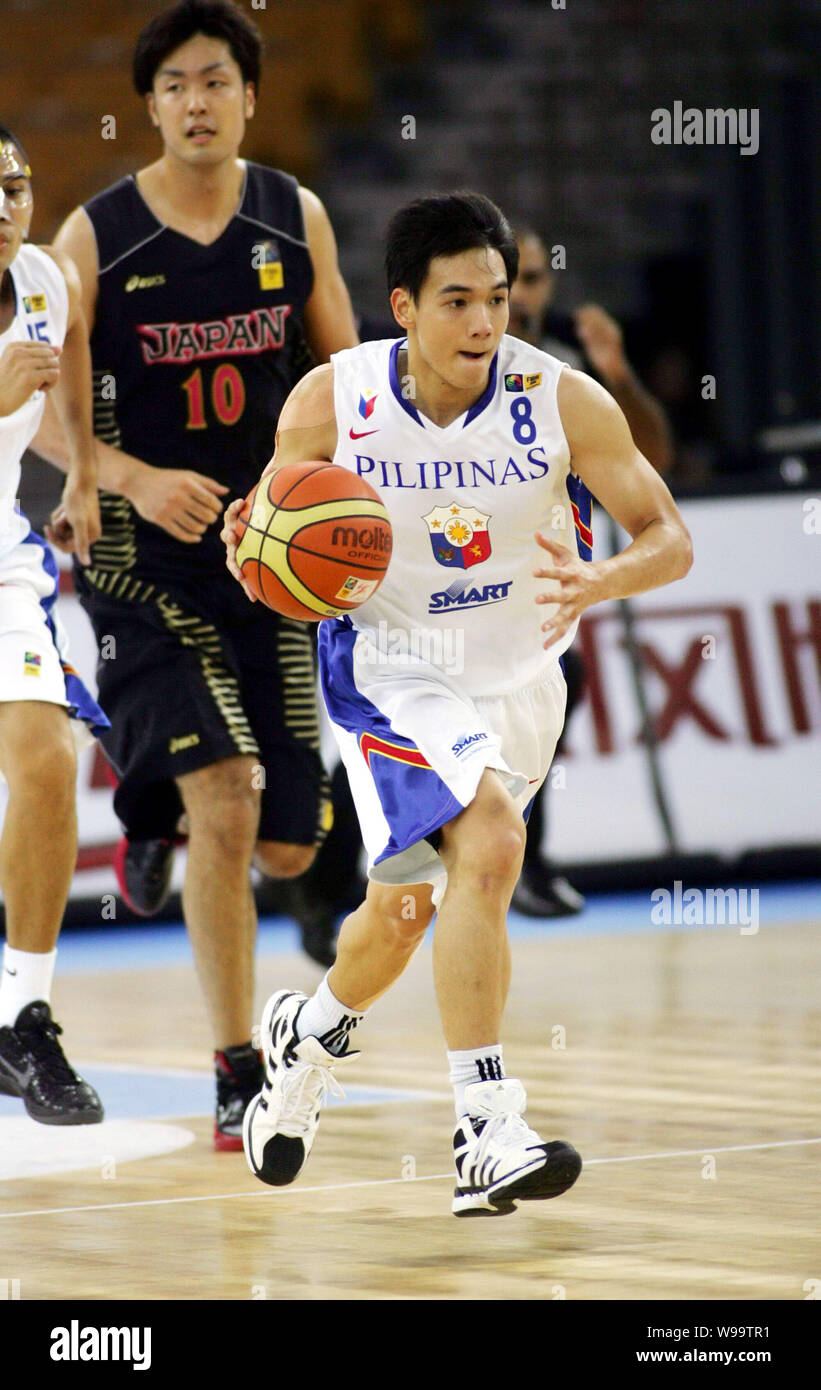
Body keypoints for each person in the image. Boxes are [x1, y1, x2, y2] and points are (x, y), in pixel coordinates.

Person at [222, 192, 693, 1217]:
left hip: (519, 680)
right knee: (487, 847)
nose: (484, 324)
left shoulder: (561, 399)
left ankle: (308, 1035)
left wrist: (599, 581)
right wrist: (249, 540)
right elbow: (270, 536)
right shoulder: (328, 401)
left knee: (399, 914)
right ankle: (484, 1125)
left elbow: (668, 535)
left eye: (495, 299)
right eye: (456, 302)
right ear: (402, 305)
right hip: (390, 668)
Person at [33, 0, 359, 1150]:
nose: (196, 101)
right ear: (150, 104)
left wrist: (345, 500)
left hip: (266, 563)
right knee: (225, 798)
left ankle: (144, 799)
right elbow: (44, 421)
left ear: (250, 95)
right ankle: (235, 1071)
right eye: (172, 84)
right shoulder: (96, 237)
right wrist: (124, 474)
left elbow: (347, 384)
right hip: (140, 567)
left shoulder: (292, 215)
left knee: (285, 841)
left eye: (215, 79)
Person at [507, 227, 674, 918]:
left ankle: (525, 862)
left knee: (547, 694)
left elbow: (653, 456)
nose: (522, 293)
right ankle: (317, 877)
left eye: (535, 278)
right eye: (509, 277)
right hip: (445, 589)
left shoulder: (566, 369)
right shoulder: (443, 368)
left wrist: (617, 374)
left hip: (537, 594)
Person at [0, 124, 109, 1124]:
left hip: (0, 565)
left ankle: (21, 1017)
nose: (4, 206)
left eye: (16, 185)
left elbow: (64, 397)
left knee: (45, 756)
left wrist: (80, 477)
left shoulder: (42, 280)